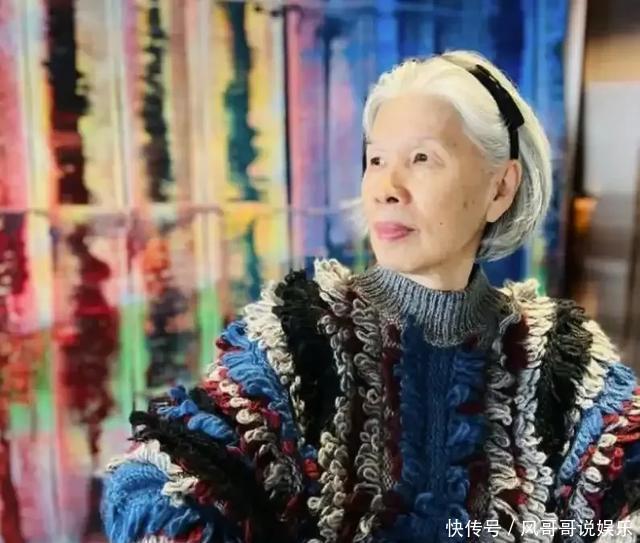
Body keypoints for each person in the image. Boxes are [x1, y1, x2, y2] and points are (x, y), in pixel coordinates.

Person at [101, 50, 640, 543]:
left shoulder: (558, 358)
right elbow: (162, 476)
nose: (386, 188)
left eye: (422, 158)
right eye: (377, 160)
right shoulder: (300, 334)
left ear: (500, 188)